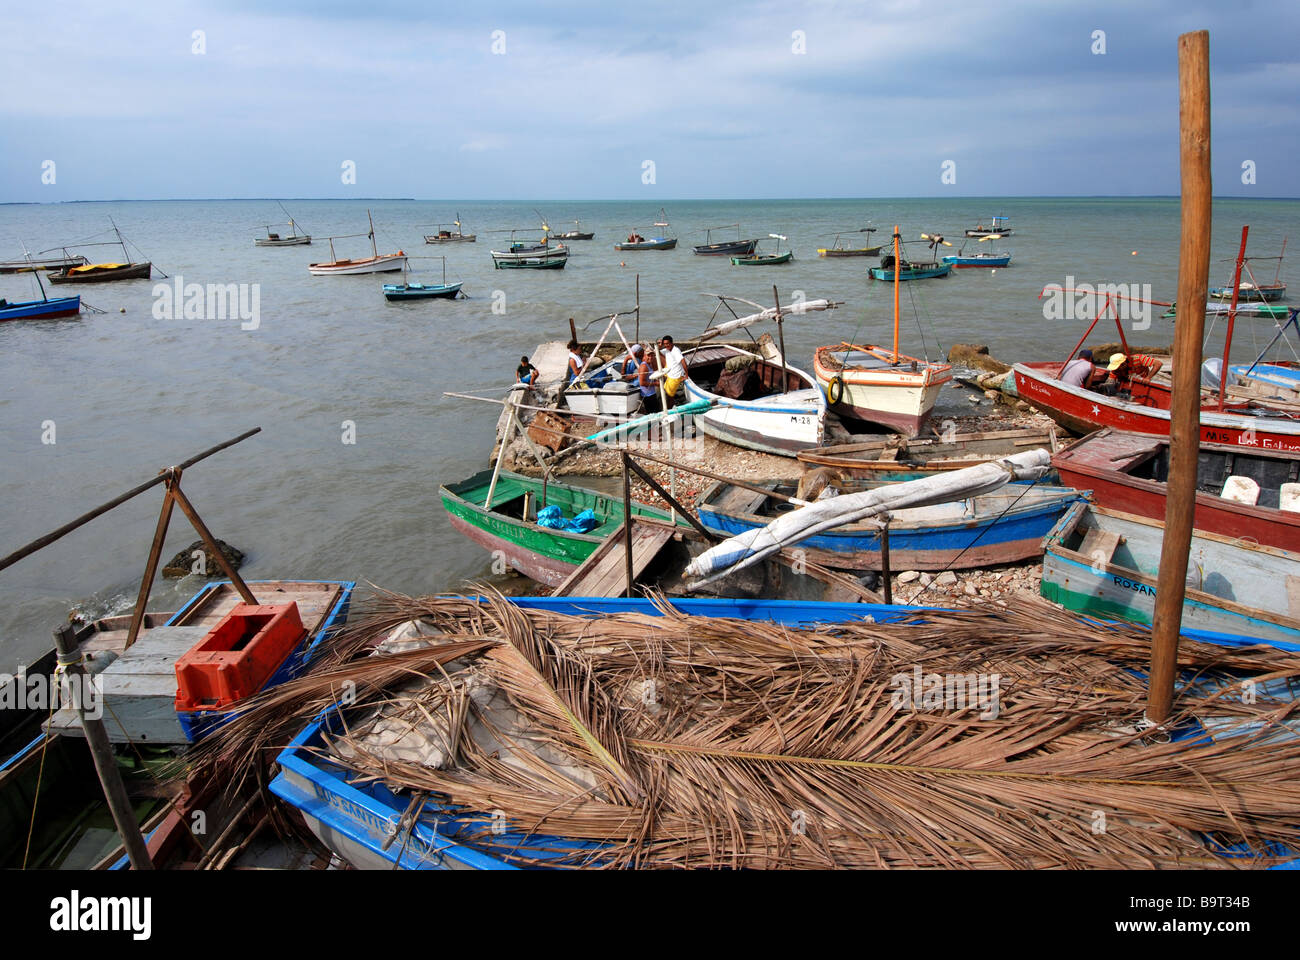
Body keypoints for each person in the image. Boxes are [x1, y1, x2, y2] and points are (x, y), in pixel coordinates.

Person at [656, 334, 688, 406]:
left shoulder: (676, 351)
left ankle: (670, 409)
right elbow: (657, 352)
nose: (666, 345)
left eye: (668, 343)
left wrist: (686, 375)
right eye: (664, 344)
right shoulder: (667, 350)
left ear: (672, 343)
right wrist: (660, 346)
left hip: (675, 376)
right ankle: (671, 404)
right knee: (666, 392)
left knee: (669, 395)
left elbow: (683, 362)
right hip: (669, 373)